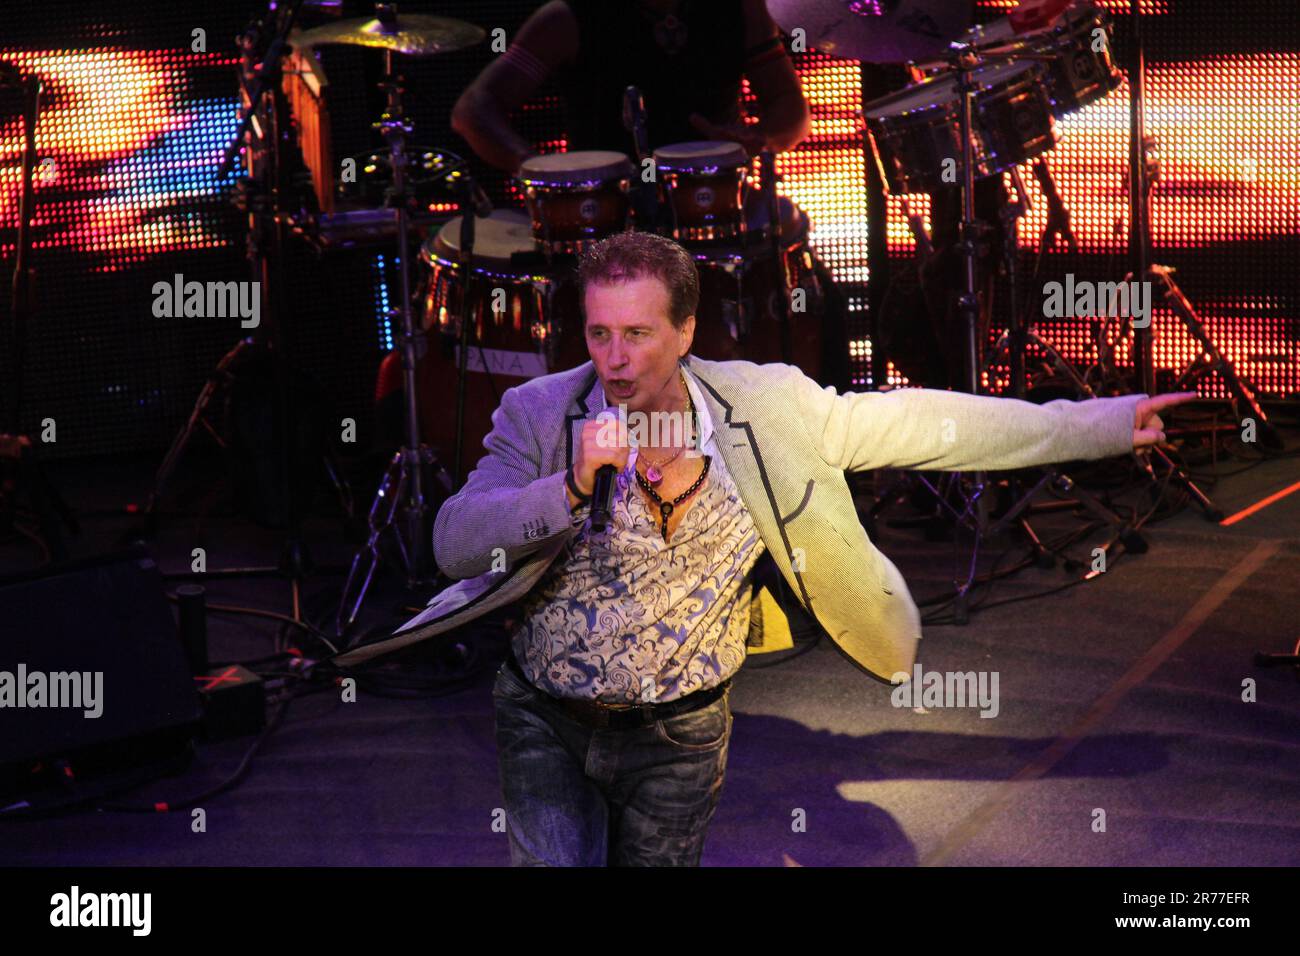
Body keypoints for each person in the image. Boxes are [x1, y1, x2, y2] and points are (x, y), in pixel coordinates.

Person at [335, 230, 1193, 866]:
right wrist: (564, 490)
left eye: (637, 335)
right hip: (545, 721)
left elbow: (927, 422)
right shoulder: (537, 414)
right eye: (599, 334)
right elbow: (455, 541)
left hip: (683, 732)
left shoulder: (764, 408)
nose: (614, 359)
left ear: (684, 330)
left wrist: (1100, 424)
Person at [450, 0, 811, 173]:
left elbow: (788, 105)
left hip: (713, 207)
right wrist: (534, 166)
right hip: (605, 217)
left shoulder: (744, 11)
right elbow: (474, 109)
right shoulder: (568, 18)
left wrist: (763, 138)